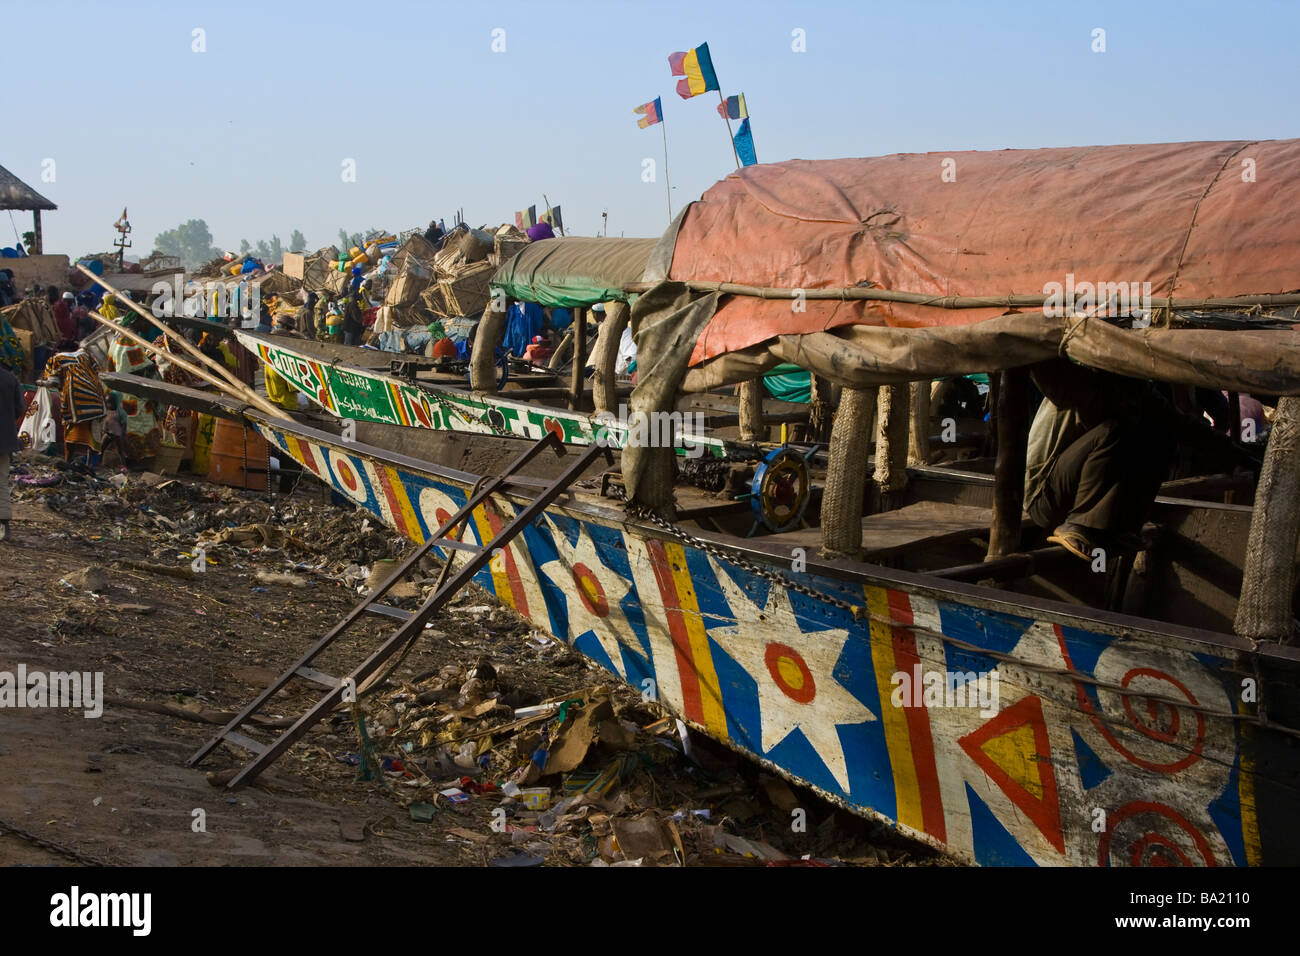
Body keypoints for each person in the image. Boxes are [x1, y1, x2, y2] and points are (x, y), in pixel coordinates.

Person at [1024, 358, 1250, 560]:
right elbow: (1041, 367)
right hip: (1045, 498)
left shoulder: (1137, 391)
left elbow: (1183, 427)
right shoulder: (1079, 380)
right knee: (1114, 431)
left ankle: (1123, 527)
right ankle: (1080, 525)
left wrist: (1242, 457)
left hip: (1076, 497)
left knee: (1163, 435)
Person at [0, 363, 25, 541]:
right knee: (1, 480)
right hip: (4, 439)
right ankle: (3, 525)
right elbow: (20, 408)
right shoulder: (10, 378)